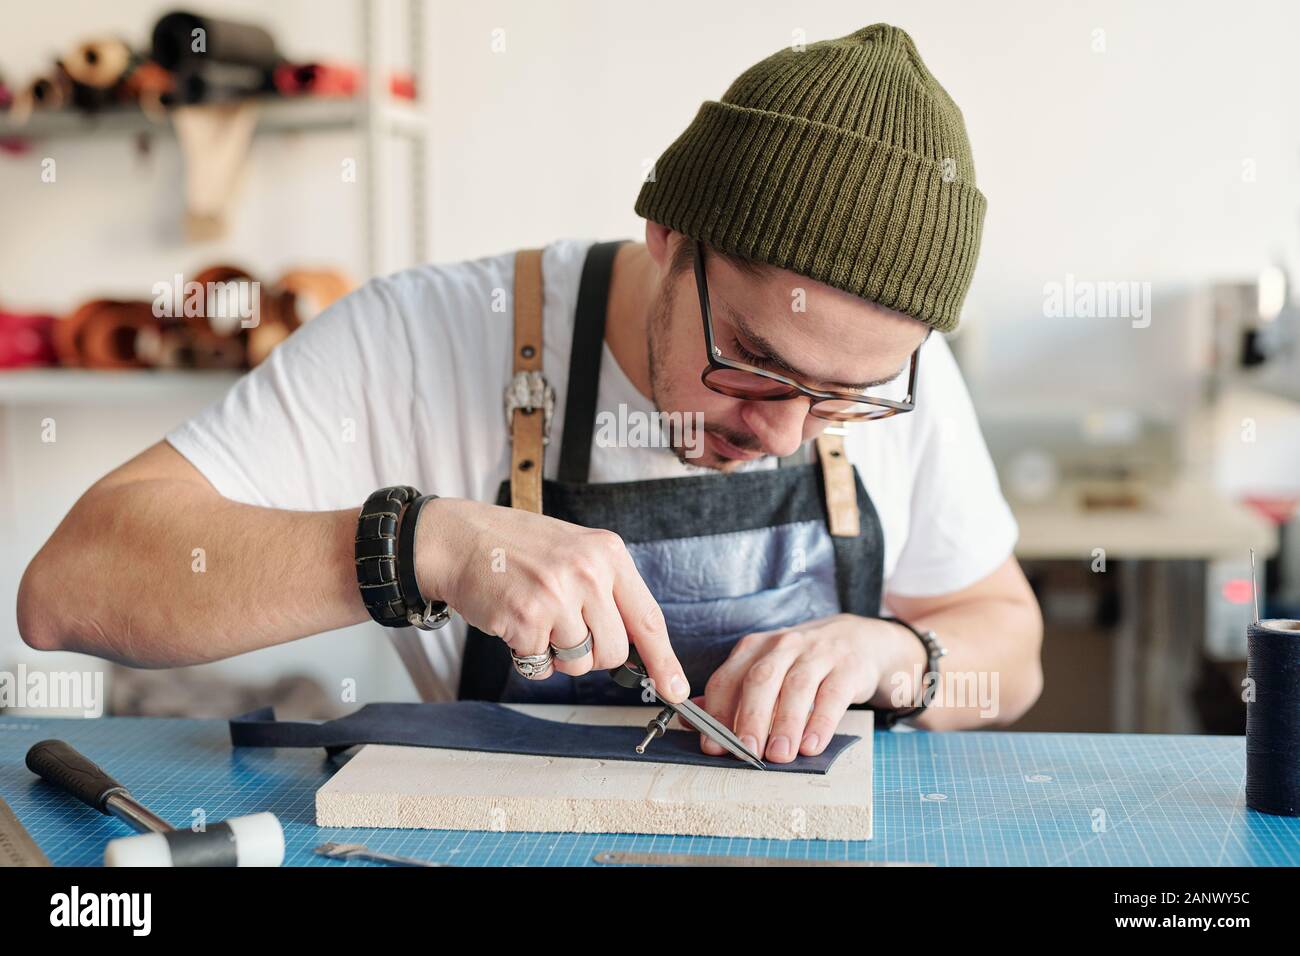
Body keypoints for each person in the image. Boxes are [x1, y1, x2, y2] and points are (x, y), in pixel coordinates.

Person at [19, 24, 1042, 764]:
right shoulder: (421, 336)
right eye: (753, 362)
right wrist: (425, 545)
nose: (780, 431)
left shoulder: (893, 375)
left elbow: (1011, 638)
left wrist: (903, 653)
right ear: (668, 235)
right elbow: (67, 587)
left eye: (837, 400)